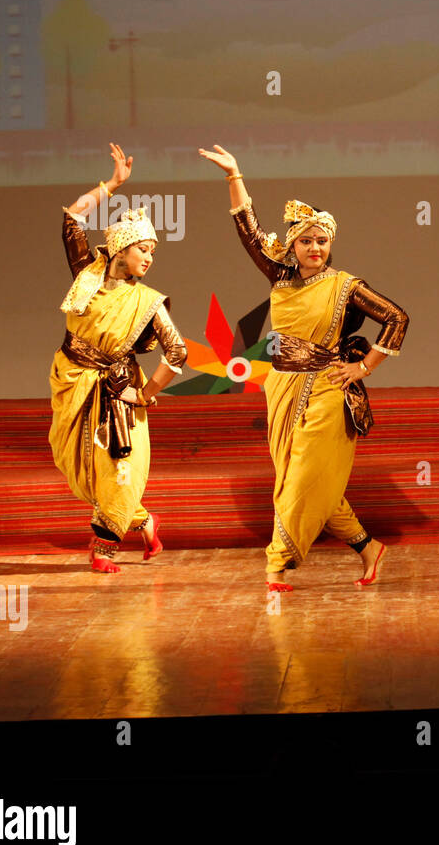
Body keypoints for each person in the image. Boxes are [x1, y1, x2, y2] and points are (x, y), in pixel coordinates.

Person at [198, 144, 409, 593]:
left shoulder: (345, 285)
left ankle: (276, 565)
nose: (316, 248)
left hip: (330, 388)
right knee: (307, 480)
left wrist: (363, 368)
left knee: (303, 477)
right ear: (292, 245)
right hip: (282, 387)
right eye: (307, 240)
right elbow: (250, 234)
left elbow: (397, 317)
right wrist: (234, 174)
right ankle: (370, 549)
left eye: (323, 240)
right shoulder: (280, 277)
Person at [49, 144, 188, 574]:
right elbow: (72, 219)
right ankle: (145, 522)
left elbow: (178, 351)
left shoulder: (147, 300)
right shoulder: (87, 274)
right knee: (85, 469)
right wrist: (112, 185)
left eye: (153, 253)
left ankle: (104, 547)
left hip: (116, 392)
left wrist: (145, 394)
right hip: (72, 379)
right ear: (121, 248)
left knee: (118, 467)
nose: (148, 258)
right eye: (143, 249)